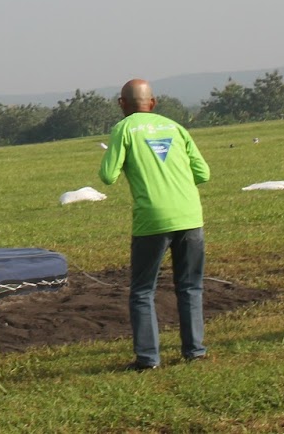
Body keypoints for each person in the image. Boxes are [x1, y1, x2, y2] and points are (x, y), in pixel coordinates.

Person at [99, 78, 212, 370]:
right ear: (154, 102)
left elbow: (107, 176)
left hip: (152, 220)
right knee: (190, 286)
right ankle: (195, 351)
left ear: (121, 104)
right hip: (190, 215)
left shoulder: (123, 129)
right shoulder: (176, 128)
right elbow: (203, 173)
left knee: (142, 290)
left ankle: (149, 358)